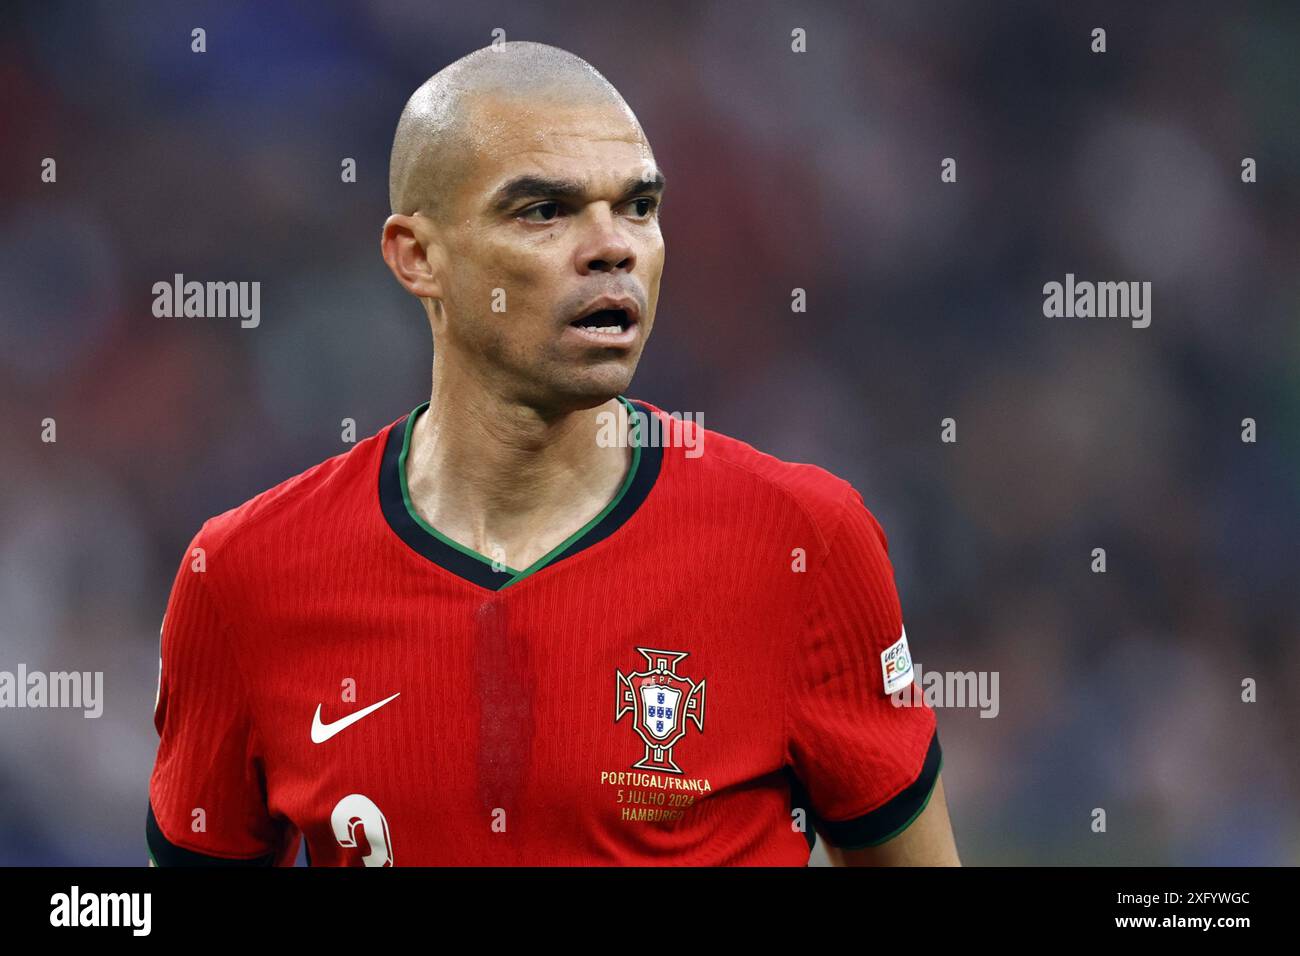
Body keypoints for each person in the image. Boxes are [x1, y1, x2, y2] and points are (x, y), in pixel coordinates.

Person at [147, 40, 959, 866]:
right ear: (417, 257)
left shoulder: (800, 541)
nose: (615, 247)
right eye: (545, 211)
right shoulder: (246, 574)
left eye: (639, 207)